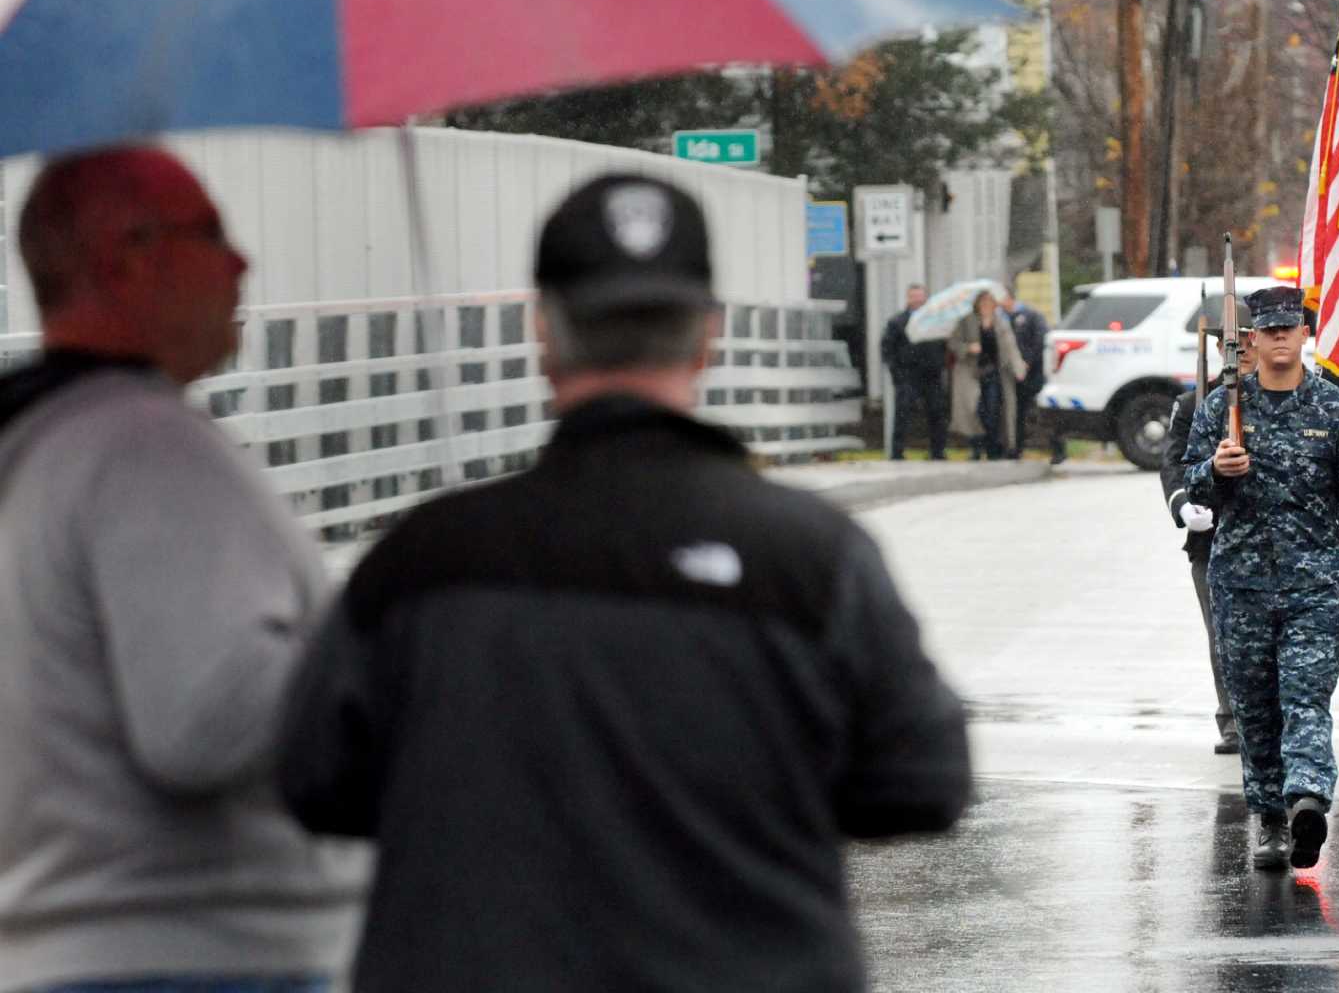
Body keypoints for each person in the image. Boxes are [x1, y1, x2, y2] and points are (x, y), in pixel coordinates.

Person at [275, 174, 970, 991]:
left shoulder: (421, 563)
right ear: (709, 335)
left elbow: (315, 780)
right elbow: (923, 783)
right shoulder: (813, 559)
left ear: (543, 333)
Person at [0, 146, 363, 993]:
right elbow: (204, 722)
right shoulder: (142, 446)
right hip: (199, 952)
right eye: (212, 232)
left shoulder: (36, 443)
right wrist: (374, 645)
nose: (242, 260)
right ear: (130, 256)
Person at [1181, 285, 1339, 872]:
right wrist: (1217, 469)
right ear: (1252, 338)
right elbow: (1192, 484)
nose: (1280, 337)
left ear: (1306, 335)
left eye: (1291, 327)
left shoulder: (1335, 408)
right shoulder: (1221, 407)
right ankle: (1268, 818)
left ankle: (1306, 797)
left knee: (1306, 698)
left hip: (1315, 582)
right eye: (1270, 329)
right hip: (1241, 583)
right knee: (1257, 708)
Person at [1160, 311, 1251, 757]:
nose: (1244, 351)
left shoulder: (1288, 399)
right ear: (1219, 349)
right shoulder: (1196, 402)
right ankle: (1232, 720)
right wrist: (1183, 504)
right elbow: (1173, 462)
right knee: (1223, 635)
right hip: (1210, 539)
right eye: (1235, 343)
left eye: (1251, 341)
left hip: (1271, 541)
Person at [949, 289, 1027, 460]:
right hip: (971, 373)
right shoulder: (966, 321)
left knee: (992, 411)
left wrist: (1018, 368)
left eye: (989, 302)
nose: (986, 306)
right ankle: (976, 446)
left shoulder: (1000, 323)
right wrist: (968, 348)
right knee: (973, 410)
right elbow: (953, 343)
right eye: (983, 302)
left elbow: (1010, 346)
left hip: (994, 373)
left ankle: (994, 447)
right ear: (977, 304)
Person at [881, 283, 949, 460]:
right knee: (902, 413)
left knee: (937, 412)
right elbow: (887, 349)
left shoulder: (936, 321)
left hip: (932, 374)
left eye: (920, 296)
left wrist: (940, 364)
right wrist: (896, 373)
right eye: (914, 296)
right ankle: (897, 452)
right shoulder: (897, 322)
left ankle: (938, 451)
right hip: (907, 374)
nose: (918, 300)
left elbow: (945, 345)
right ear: (908, 298)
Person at [1003, 289, 1050, 460]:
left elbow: (1040, 339)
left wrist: (1028, 362)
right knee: (1018, 412)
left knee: (1042, 411)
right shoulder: (1002, 319)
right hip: (1014, 373)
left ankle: (1057, 448)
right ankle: (1017, 448)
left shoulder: (1030, 315)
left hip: (1033, 372)